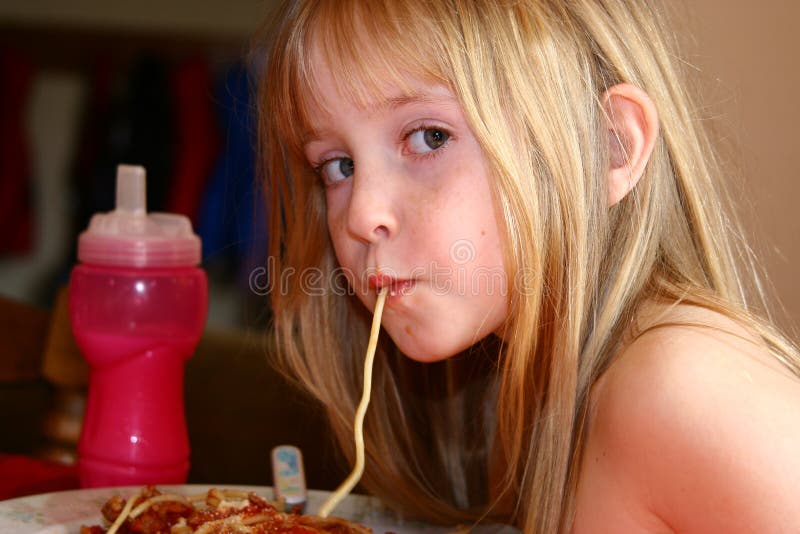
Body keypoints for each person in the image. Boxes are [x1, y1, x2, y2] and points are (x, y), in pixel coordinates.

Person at [253, 0, 800, 532]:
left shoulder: (684, 388)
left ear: (607, 146)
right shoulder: (530, 396)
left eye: (430, 137)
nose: (362, 214)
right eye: (339, 165)